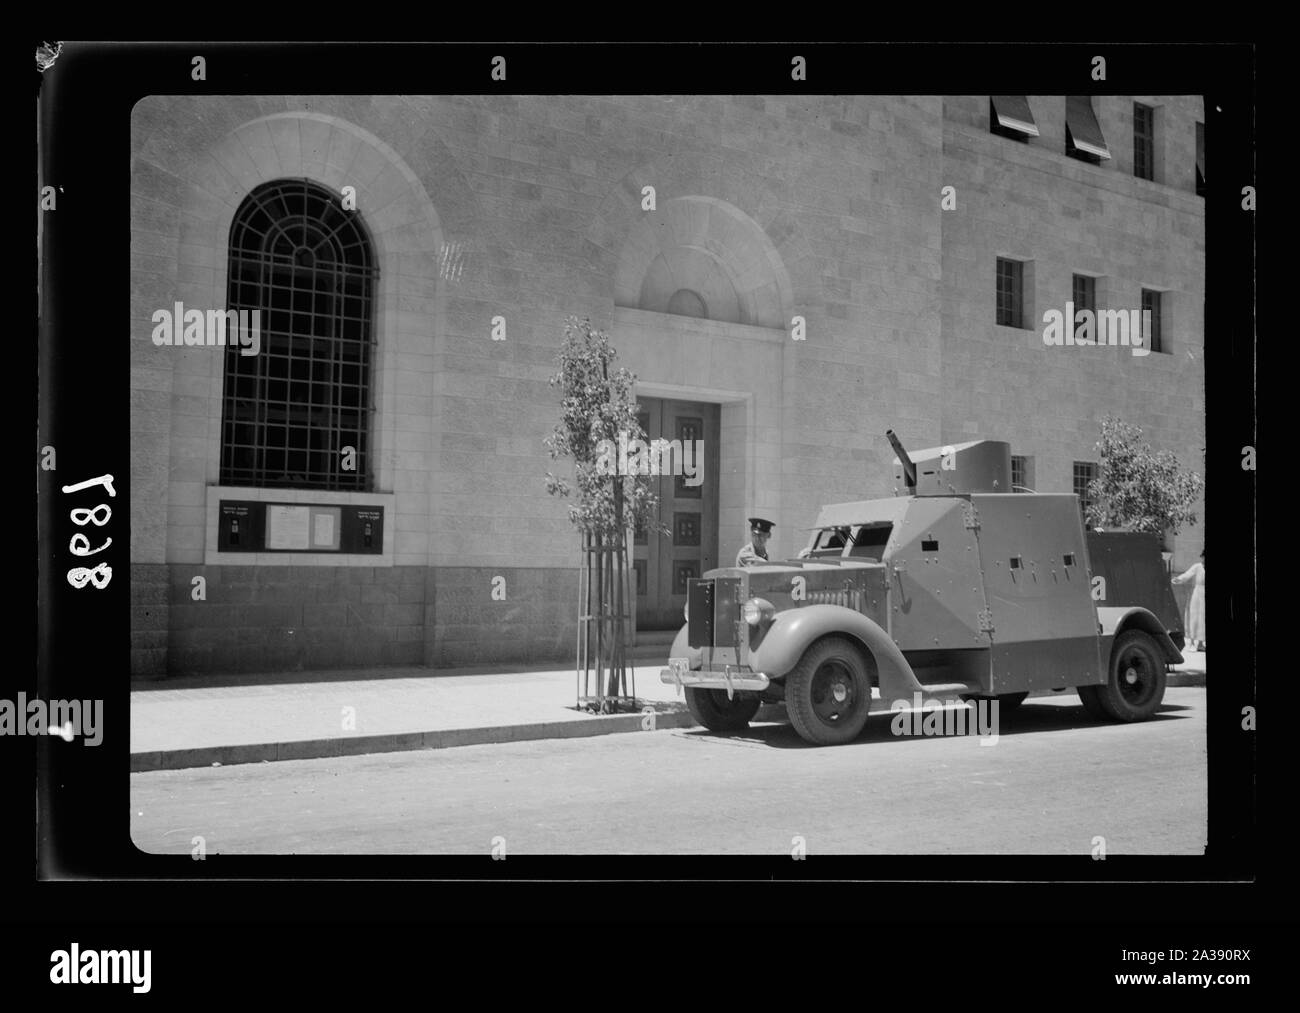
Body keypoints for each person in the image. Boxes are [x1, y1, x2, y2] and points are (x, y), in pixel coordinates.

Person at [1171, 549, 1206, 651]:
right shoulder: (1197, 566)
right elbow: (1187, 574)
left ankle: (1199, 643)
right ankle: (1190, 643)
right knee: (1192, 617)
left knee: (1202, 620)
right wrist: (1179, 579)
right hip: (1196, 594)